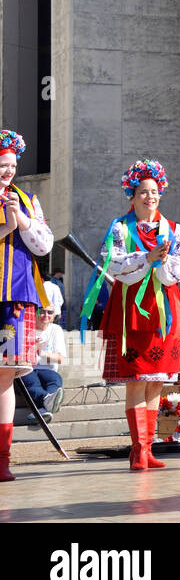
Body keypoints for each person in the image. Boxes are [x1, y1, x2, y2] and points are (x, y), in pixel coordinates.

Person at [83, 160, 180, 471]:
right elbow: (111, 262)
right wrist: (146, 258)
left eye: (154, 191)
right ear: (132, 196)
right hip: (131, 307)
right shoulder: (119, 228)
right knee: (135, 380)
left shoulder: (173, 229)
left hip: (164, 310)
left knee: (157, 382)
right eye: (143, 192)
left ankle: (147, 448)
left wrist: (164, 263)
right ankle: (137, 448)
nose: (149, 197)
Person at [0, 130, 54, 481]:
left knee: (5, 377)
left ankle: (2, 459)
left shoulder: (26, 199)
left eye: (13, 165)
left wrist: (22, 220)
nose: (9, 171)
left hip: (15, 297)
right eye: (3, 165)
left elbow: (44, 244)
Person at [20, 283, 66, 422]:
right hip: (28, 368)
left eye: (50, 312)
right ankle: (46, 402)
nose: (46, 315)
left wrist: (41, 352)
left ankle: (42, 409)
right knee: (32, 382)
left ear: (54, 315)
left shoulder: (56, 330)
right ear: (35, 312)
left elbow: (59, 358)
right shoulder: (25, 327)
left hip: (48, 370)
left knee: (56, 380)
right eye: (42, 311)